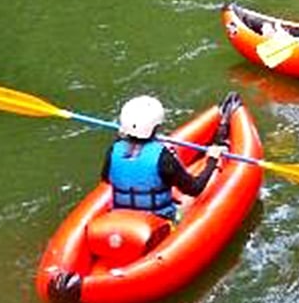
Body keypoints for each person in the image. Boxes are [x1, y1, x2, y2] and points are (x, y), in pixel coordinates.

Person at [101, 91, 242, 220]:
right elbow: (195, 189)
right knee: (187, 204)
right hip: (158, 220)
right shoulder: (163, 157)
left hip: (120, 215)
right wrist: (212, 159)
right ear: (155, 126)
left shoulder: (114, 149)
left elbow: (107, 178)